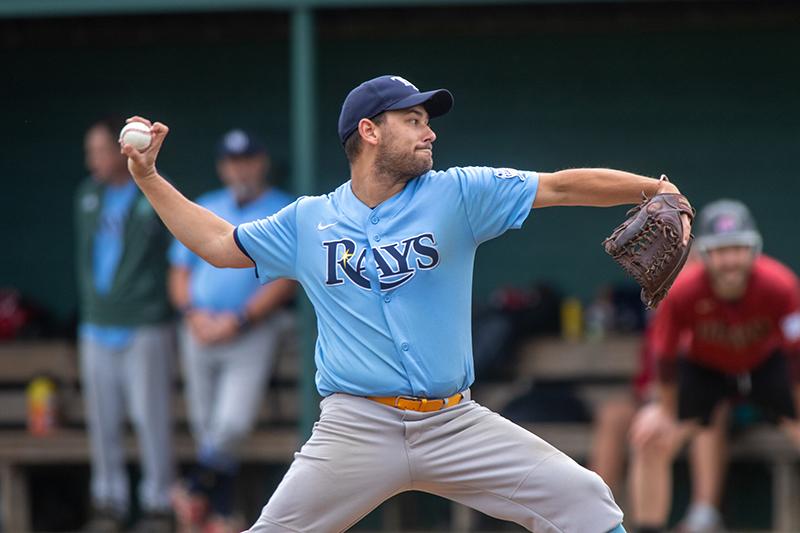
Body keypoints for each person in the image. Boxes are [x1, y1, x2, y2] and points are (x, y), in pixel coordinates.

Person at [119, 74, 693, 533]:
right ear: (369, 132)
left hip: (454, 422)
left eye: (426, 121)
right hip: (356, 427)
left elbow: (560, 186)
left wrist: (655, 189)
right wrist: (148, 177)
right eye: (413, 120)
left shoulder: (459, 193)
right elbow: (219, 244)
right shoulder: (308, 220)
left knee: (587, 503)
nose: (430, 132)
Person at [628, 199, 800, 533]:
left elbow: (796, 353)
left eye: (738, 248)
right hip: (705, 366)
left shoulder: (780, 284)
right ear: (704, 254)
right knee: (650, 438)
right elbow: (664, 354)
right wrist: (663, 411)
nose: (731, 260)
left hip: (765, 363)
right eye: (721, 250)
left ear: (754, 249)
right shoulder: (683, 291)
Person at [167, 129, 297, 533]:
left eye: (247, 159)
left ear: (261, 163)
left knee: (231, 425)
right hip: (199, 326)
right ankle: (222, 513)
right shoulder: (206, 205)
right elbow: (179, 270)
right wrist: (191, 314)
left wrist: (240, 319)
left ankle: (192, 488)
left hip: (249, 329)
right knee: (207, 426)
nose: (240, 168)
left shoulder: (283, 209)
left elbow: (290, 276)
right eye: (232, 161)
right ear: (223, 166)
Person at [75, 117, 176, 532]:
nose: (92, 159)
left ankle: (158, 503)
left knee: (151, 416)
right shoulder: (87, 196)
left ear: (119, 148)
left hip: (145, 324)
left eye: (99, 149)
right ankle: (109, 502)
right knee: (102, 420)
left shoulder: (151, 190)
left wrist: (145, 166)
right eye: (90, 151)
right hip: (96, 326)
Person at [588, 301, 730, 532]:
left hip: (696, 404)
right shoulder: (659, 311)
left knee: (709, 415)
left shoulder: (712, 309)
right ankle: (592, 511)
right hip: (654, 403)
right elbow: (646, 382)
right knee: (615, 415)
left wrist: (667, 402)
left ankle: (703, 517)